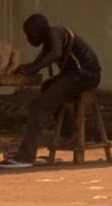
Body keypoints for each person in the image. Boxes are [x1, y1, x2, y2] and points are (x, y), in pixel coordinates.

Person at [10, 11, 100, 166]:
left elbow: (55, 54)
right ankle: (71, 133)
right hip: (77, 75)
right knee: (47, 88)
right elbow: (38, 62)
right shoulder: (49, 40)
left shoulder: (56, 33)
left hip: (84, 76)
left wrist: (31, 69)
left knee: (39, 106)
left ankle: (25, 156)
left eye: (29, 34)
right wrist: (25, 68)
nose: (28, 38)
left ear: (39, 32)